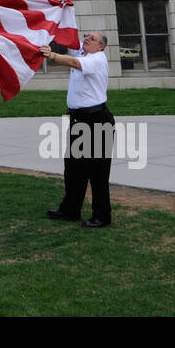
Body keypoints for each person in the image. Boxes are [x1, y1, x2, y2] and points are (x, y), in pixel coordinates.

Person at [41, 30, 115, 228]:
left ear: (101, 46)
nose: (87, 39)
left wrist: (53, 55)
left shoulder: (97, 59)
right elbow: (70, 49)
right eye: (87, 36)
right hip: (79, 121)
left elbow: (73, 63)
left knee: (98, 172)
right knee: (73, 169)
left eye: (93, 38)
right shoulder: (81, 55)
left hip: (97, 120)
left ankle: (102, 216)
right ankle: (70, 210)